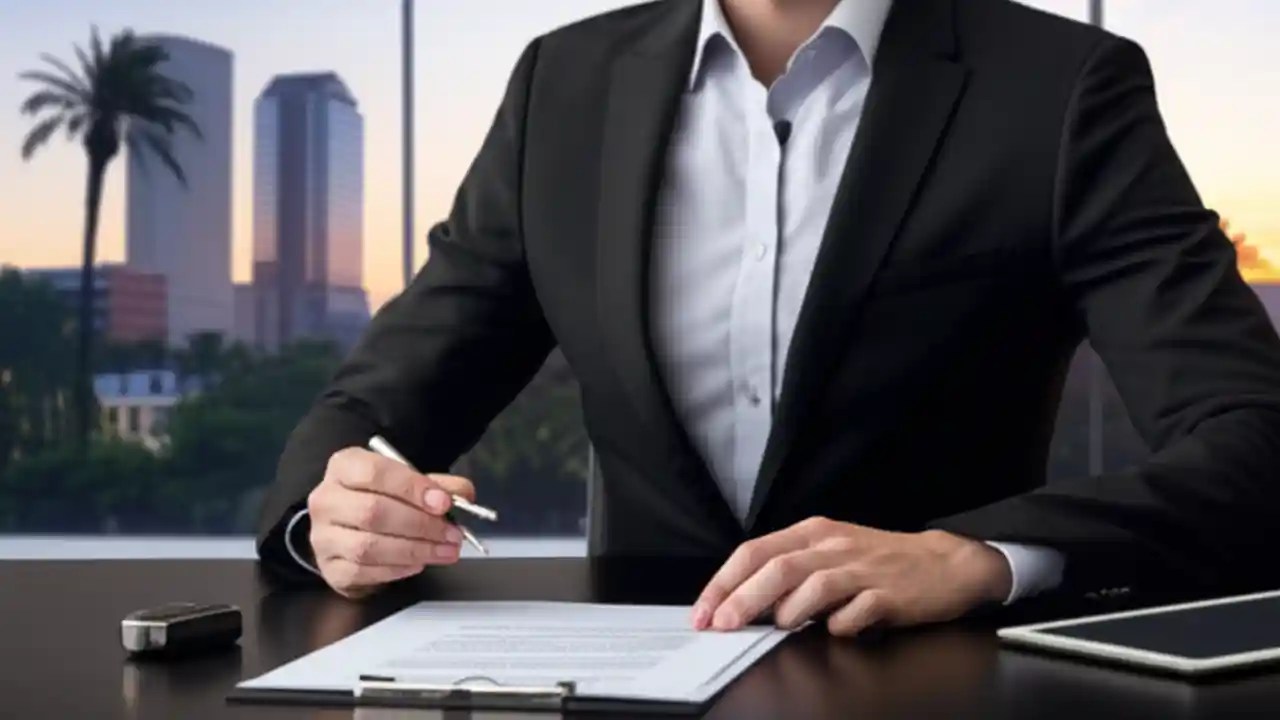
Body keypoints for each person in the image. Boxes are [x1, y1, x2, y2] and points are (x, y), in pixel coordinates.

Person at [257, 0, 1280, 637]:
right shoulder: (561, 84)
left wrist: (974, 558)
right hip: (626, 683)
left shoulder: (1057, 88)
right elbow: (371, 415)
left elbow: (1252, 443)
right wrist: (331, 516)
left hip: (938, 687)